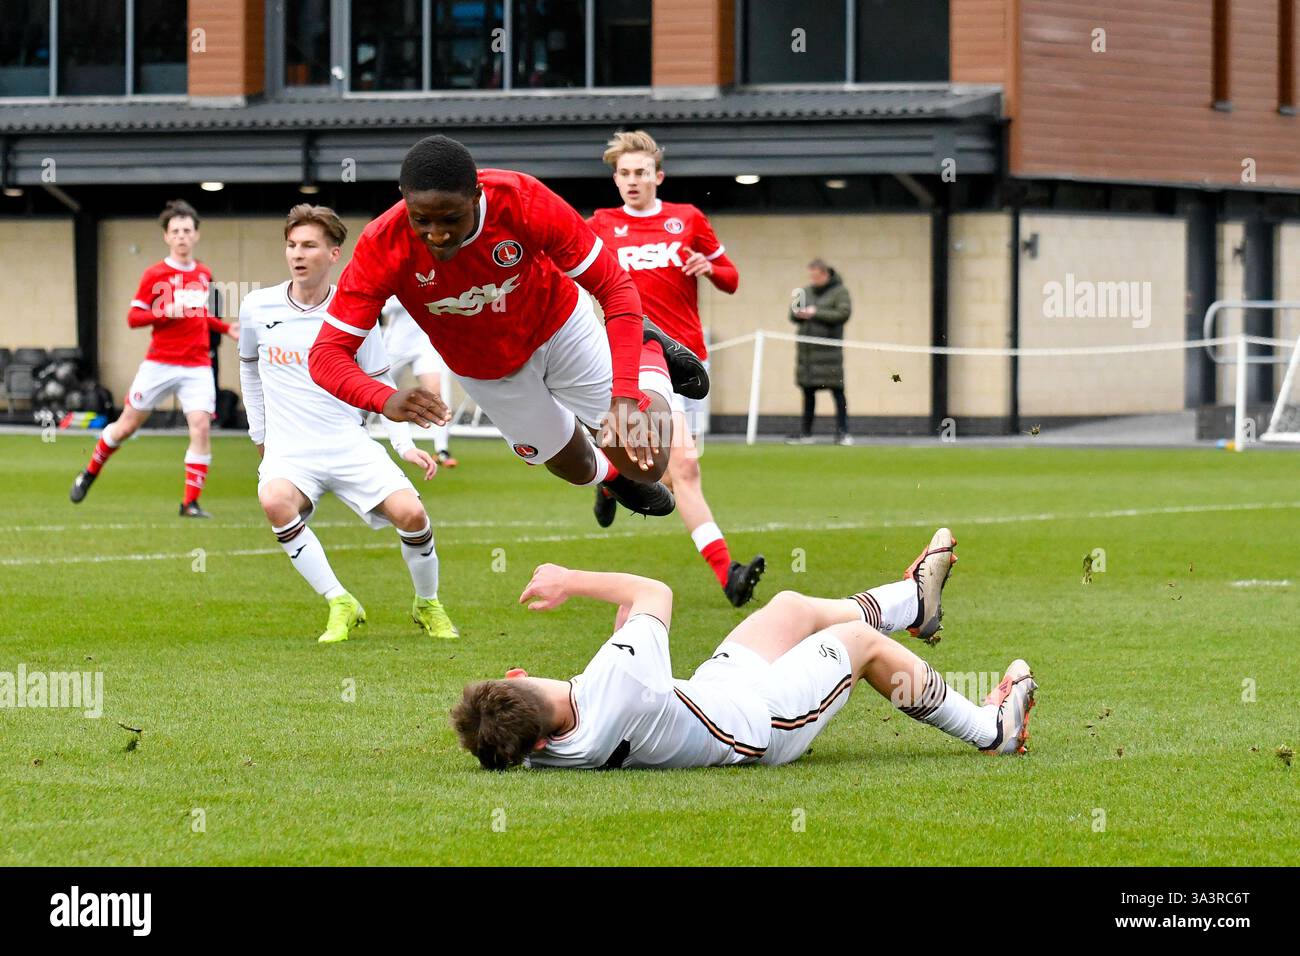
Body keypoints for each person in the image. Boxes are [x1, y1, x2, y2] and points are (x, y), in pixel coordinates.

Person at [308, 134, 711, 520]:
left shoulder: (522, 199)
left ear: (477, 195)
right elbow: (325, 355)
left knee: (649, 461)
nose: (437, 233)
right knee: (572, 465)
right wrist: (383, 399)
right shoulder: (383, 245)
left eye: (451, 218)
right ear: (404, 201)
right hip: (488, 370)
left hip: (559, 330)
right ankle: (611, 480)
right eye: (422, 220)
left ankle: (649, 349)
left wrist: (625, 393)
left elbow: (614, 288)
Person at [450, 528, 1038, 770]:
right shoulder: (614, 684)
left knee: (791, 608)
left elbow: (617, 683)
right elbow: (654, 591)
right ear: (517, 672)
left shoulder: (534, 745)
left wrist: (623, 632)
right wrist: (569, 577)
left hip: (712, 694)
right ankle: (993, 732)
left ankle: (914, 602)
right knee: (858, 644)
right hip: (763, 721)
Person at [238, 204, 457, 644]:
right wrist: (259, 435)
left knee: (412, 514)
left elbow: (380, 382)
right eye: (292, 245)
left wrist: (404, 444)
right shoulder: (256, 307)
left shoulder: (353, 310)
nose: (298, 254)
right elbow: (248, 369)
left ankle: (427, 603)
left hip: (347, 442)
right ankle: (340, 601)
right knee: (274, 500)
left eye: (310, 246)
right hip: (290, 450)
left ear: (334, 253)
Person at [587, 130, 765, 607]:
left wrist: (708, 266)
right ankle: (728, 572)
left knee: (677, 467)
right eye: (623, 173)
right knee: (682, 466)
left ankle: (613, 474)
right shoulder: (601, 224)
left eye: (640, 172)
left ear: (658, 176)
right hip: (633, 357)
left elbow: (731, 279)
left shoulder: (687, 219)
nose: (631, 181)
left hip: (686, 362)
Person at [70, 200, 238, 516]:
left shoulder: (203, 273)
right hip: (160, 363)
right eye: (175, 231)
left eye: (187, 230)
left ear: (196, 235)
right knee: (125, 427)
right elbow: (133, 317)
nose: (182, 236)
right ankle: (90, 472)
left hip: (198, 364)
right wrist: (164, 311)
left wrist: (227, 328)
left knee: (201, 427)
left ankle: (190, 503)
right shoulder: (154, 274)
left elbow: (200, 315)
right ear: (166, 236)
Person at [379, 295, 457, 468]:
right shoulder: (395, 276)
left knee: (436, 393)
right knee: (374, 391)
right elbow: (385, 307)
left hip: (424, 343)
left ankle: (442, 449)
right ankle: (352, 435)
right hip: (396, 344)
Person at [790, 258, 853, 446]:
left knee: (837, 392)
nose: (813, 280)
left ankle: (843, 433)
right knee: (808, 393)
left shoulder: (841, 292)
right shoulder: (804, 291)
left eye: (816, 276)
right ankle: (806, 433)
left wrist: (815, 312)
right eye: (811, 276)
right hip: (807, 355)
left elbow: (843, 314)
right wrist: (799, 313)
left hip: (830, 354)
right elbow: (792, 314)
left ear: (826, 274)